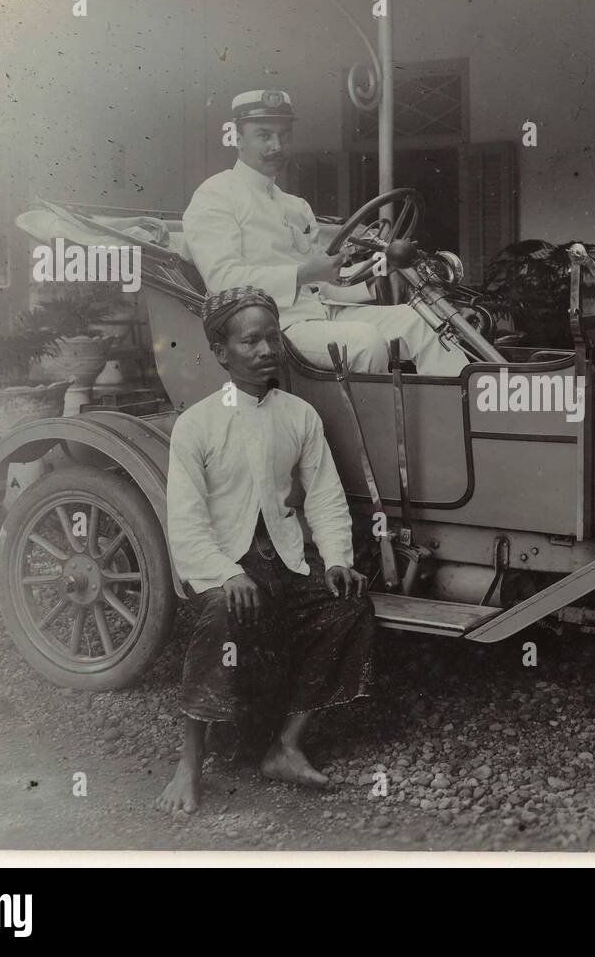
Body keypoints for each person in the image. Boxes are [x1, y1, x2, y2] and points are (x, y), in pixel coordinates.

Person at [155, 285, 375, 816]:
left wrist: (338, 558)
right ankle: (189, 763)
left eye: (272, 337)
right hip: (226, 566)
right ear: (221, 352)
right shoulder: (197, 424)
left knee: (350, 605)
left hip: (284, 559)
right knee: (224, 617)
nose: (265, 350)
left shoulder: (298, 415)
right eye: (250, 340)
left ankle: (286, 744)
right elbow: (184, 521)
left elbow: (323, 495)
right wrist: (225, 574)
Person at [183, 88, 470, 375]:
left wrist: (372, 279)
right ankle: (380, 420)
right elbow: (223, 282)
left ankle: (465, 416)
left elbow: (322, 286)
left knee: (423, 322)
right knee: (366, 343)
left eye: (284, 135)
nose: (276, 145)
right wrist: (305, 273)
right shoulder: (217, 194)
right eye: (264, 135)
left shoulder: (294, 205)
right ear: (237, 138)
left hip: (322, 314)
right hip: (274, 328)